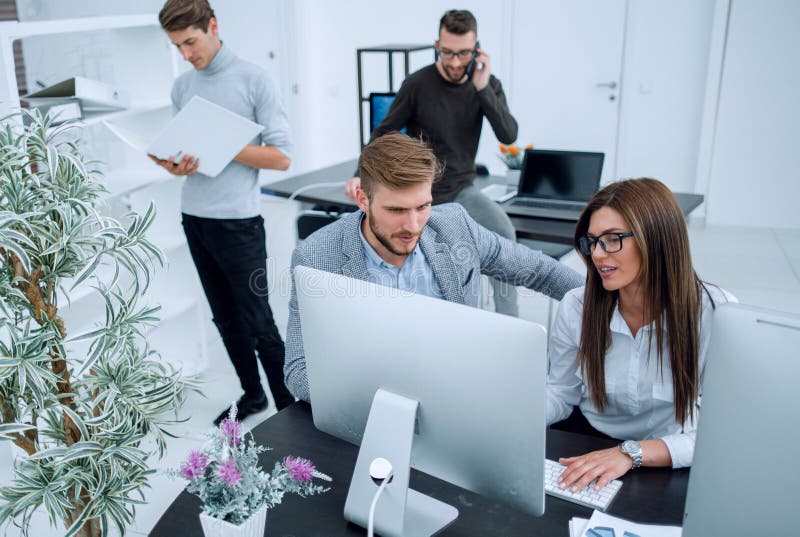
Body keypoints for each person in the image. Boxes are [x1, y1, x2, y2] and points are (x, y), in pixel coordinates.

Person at [284, 132, 582, 402]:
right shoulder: (316, 257)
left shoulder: (455, 226)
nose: (413, 226)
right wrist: (383, 396)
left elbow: (540, 271)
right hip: (371, 405)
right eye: (396, 210)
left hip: (460, 390)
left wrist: (611, 301)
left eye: (422, 206)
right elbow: (298, 370)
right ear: (363, 199)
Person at [154, 0, 295, 425]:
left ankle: (290, 411)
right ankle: (252, 396)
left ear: (213, 26)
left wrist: (224, 144)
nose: (185, 55)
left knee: (258, 321)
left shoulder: (254, 78)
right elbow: (180, 150)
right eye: (177, 46)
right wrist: (172, 163)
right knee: (225, 317)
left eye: (190, 42)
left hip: (238, 224)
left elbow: (283, 158)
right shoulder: (183, 87)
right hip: (195, 218)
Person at [546, 178, 734, 493]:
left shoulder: (715, 312)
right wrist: (510, 416)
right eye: (592, 241)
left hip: (667, 450)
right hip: (587, 439)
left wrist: (630, 453)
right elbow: (561, 393)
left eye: (612, 239)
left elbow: (723, 432)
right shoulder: (576, 306)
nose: (597, 254)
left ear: (656, 239)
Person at [344, 9, 521, 316]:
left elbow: (508, 134)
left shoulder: (486, 85)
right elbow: (384, 131)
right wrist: (361, 174)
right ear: (437, 45)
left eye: (463, 53)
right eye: (448, 52)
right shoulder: (417, 84)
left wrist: (481, 88)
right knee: (441, 268)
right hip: (418, 193)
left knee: (504, 235)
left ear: (477, 49)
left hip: (461, 191)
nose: (454, 62)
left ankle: (512, 329)